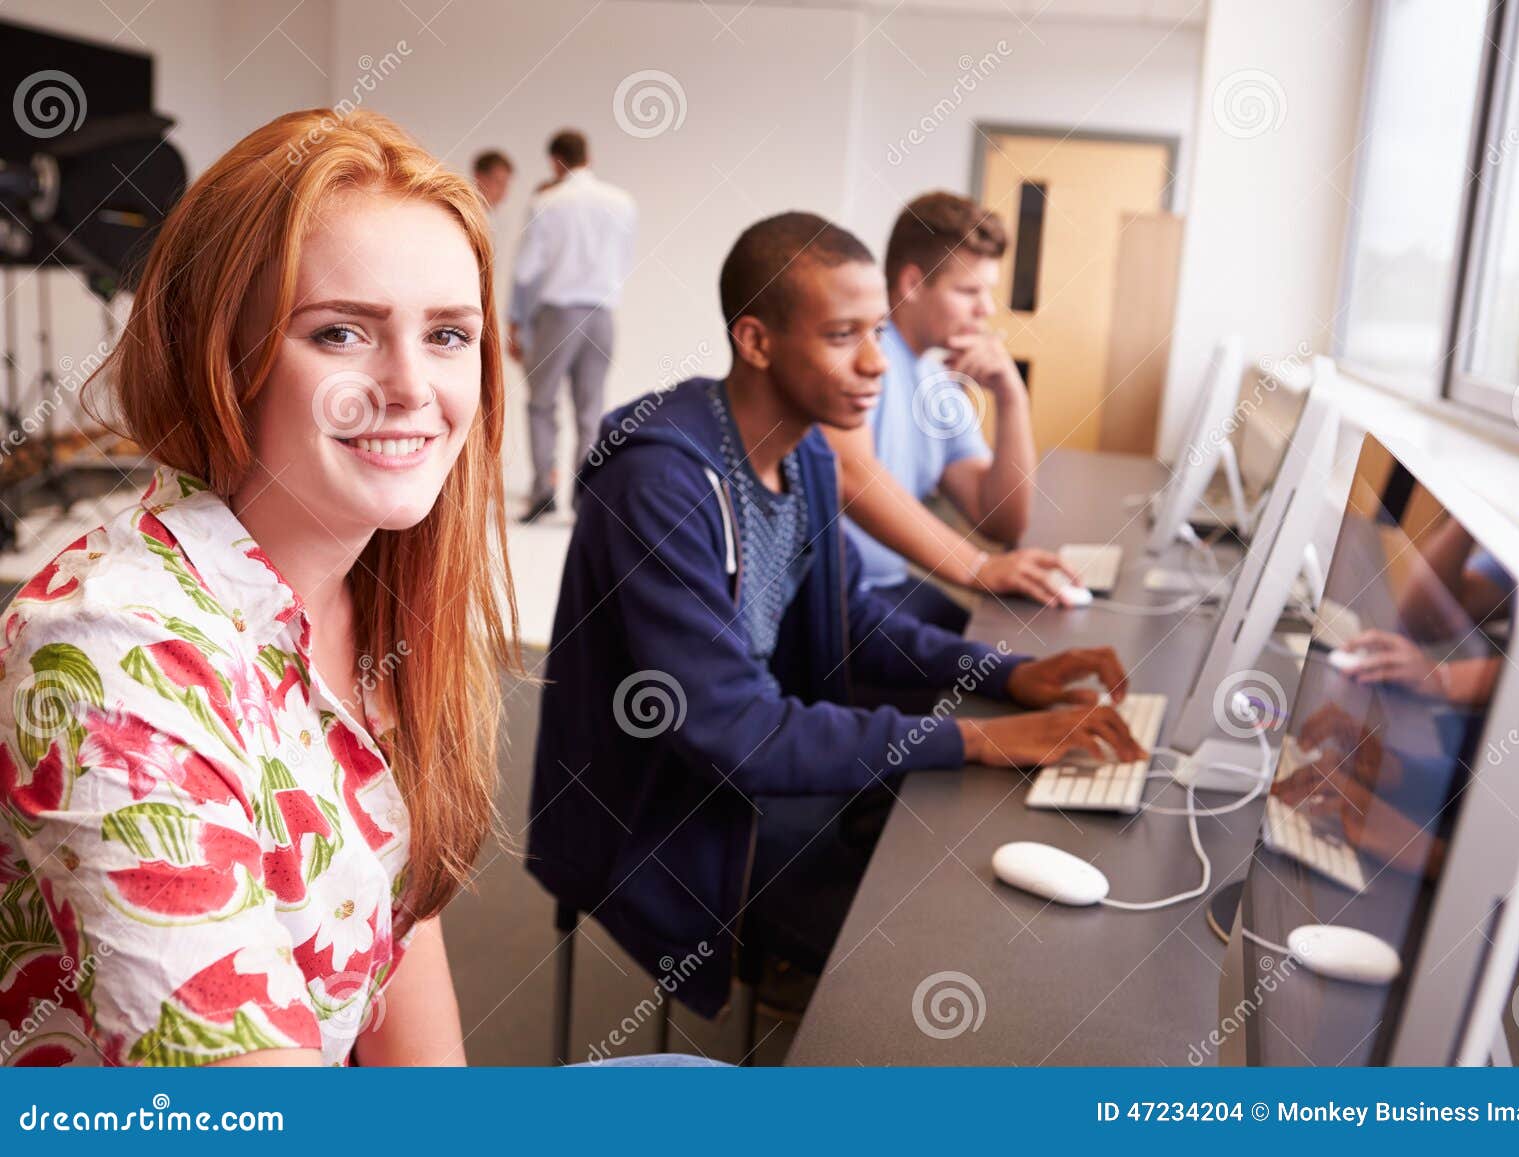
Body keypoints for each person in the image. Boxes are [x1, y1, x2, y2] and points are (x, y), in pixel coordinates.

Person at [0, 108, 523, 1067]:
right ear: (222, 356)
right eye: (340, 333)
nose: (411, 385)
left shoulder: (380, 596)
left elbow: (397, 924)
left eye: (449, 334)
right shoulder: (112, 654)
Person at [526, 212, 1144, 1020]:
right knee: (930, 936)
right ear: (756, 341)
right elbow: (738, 732)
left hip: (749, 789)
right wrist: (982, 738)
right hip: (661, 818)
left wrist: (1012, 674)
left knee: (947, 854)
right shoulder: (662, 483)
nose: (874, 363)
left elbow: (848, 614)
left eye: (878, 332)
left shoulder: (806, 451)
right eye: (842, 335)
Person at [826, 192, 1077, 633]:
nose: (986, 309)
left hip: (890, 587)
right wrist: (979, 567)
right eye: (969, 291)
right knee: (986, 666)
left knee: (1012, 641)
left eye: (988, 292)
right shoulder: (861, 358)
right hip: (838, 600)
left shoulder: (936, 379)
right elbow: (853, 475)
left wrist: (1011, 397)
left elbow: (1000, 518)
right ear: (912, 284)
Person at [508, 129, 637, 522]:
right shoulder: (623, 202)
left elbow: (526, 270)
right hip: (602, 314)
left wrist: (516, 321)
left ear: (555, 161)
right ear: (589, 156)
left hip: (558, 314)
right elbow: (625, 259)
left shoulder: (546, 203)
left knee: (541, 403)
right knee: (590, 408)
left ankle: (544, 492)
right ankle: (586, 499)